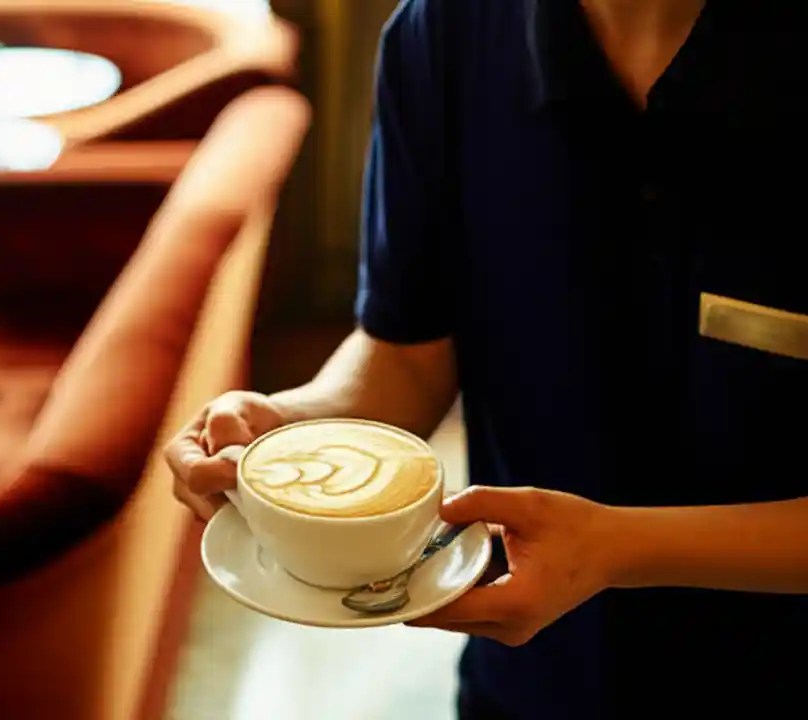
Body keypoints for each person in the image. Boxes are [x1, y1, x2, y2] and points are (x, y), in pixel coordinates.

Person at [164, 0, 808, 717]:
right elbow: (406, 356)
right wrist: (289, 428)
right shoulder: (444, 33)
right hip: (531, 682)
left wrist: (624, 547)